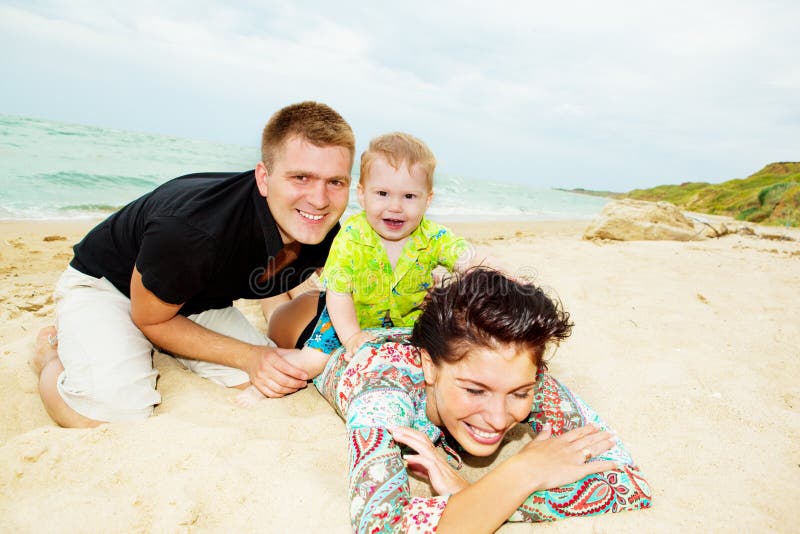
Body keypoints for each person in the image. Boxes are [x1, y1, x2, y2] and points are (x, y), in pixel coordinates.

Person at [31, 101, 355, 427]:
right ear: (263, 177)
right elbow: (150, 318)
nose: (319, 199)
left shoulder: (323, 228)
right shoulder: (195, 230)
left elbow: (355, 290)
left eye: (335, 182)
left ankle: (157, 350)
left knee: (275, 380)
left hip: (195, 299)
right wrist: (250, 356)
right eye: (301, 177)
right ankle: (48, 355)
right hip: (108, 289)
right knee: (111, 412)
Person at [312, 267, 652, 532]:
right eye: (475, 391)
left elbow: (630, 484)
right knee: (291, 311)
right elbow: (381, 526)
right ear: (429, 366)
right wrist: (521, 473)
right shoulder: (383, 392)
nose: (498, 418)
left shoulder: (514, 365)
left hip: (421, 335)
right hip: (323, 331)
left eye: (520, 394)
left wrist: (478, 494)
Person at [235, 132, 475, 406]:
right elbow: (337, 292)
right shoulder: (351, 236)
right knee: (312, 360)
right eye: (382, 193)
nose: (395, 207)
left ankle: (283, 284)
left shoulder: (433, 236)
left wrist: (492, 272)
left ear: (427, 199)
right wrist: (350, 337)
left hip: (401, 322)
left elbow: (466, 255)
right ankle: (262, 385)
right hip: (344, 316)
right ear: (362, 194)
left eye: (409, 196)